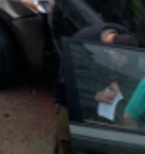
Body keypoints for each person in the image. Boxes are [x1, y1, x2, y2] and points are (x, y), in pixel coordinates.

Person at [53, 24, 139, 154]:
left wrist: (114, 82)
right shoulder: (81, 44)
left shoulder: (124, 38)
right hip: (72, 98)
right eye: (119, 62)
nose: (121, 66)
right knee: (66, 138)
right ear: (111, 51)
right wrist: (94, 94)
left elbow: (119, 71)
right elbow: (69, 79)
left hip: (99, 105)